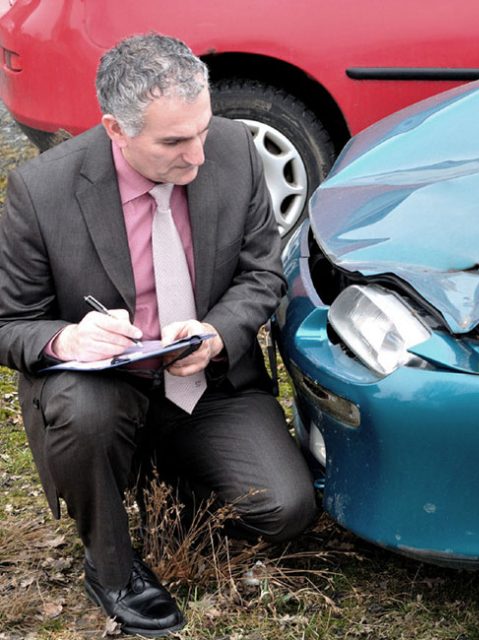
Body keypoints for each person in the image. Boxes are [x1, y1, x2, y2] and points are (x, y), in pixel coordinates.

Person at [0, 33, 316, 636]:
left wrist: (219, 334)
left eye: (202, 129)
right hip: (103, 386)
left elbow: (262, 274)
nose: (198, 155)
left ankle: (162, 473)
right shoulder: (42, 191)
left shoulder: (235, 150)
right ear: (116, 130)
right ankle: (111, 564)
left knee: (286, 510)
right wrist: (66, 340)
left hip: (211, 383)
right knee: (85, 412)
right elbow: (8, 323)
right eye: (174, 141)